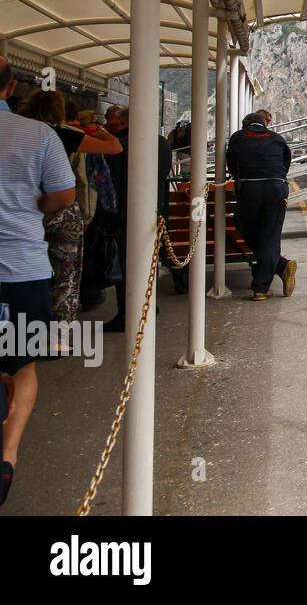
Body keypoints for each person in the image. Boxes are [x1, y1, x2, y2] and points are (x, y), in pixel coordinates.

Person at [0, 57, 76, 505]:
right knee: (21, 366)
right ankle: (7, 456)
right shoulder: (39, 135)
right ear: (10, 90)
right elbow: (64, 195)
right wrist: (32, 208)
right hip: (22, 270)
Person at [16, 89, 121, 325]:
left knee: (26, 275)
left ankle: (26, 329)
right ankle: (59, 337)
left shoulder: (19, 132)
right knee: (67, 277)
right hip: (62, 212)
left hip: (26, 210)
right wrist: (94, 129)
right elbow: (115, 146)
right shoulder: (64, 134)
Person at [102, 107, 172, 330]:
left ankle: (127, 313)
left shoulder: (120, 144)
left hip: (125, 214)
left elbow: (112, 185)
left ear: (123, 121)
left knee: (127, 266)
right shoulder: (161, 143)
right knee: (147, 261)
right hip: (155, 211)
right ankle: (149, 304)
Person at [226, 111, 295, 301]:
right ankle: (280, 266)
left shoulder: (238, 137)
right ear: (264, 124)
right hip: (276, 188)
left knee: (242, 225)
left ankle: (261, 287)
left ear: (246, 125)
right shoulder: (277, 138)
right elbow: (285, 164)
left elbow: (231, 163)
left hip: (249, 190)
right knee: (270, 236)